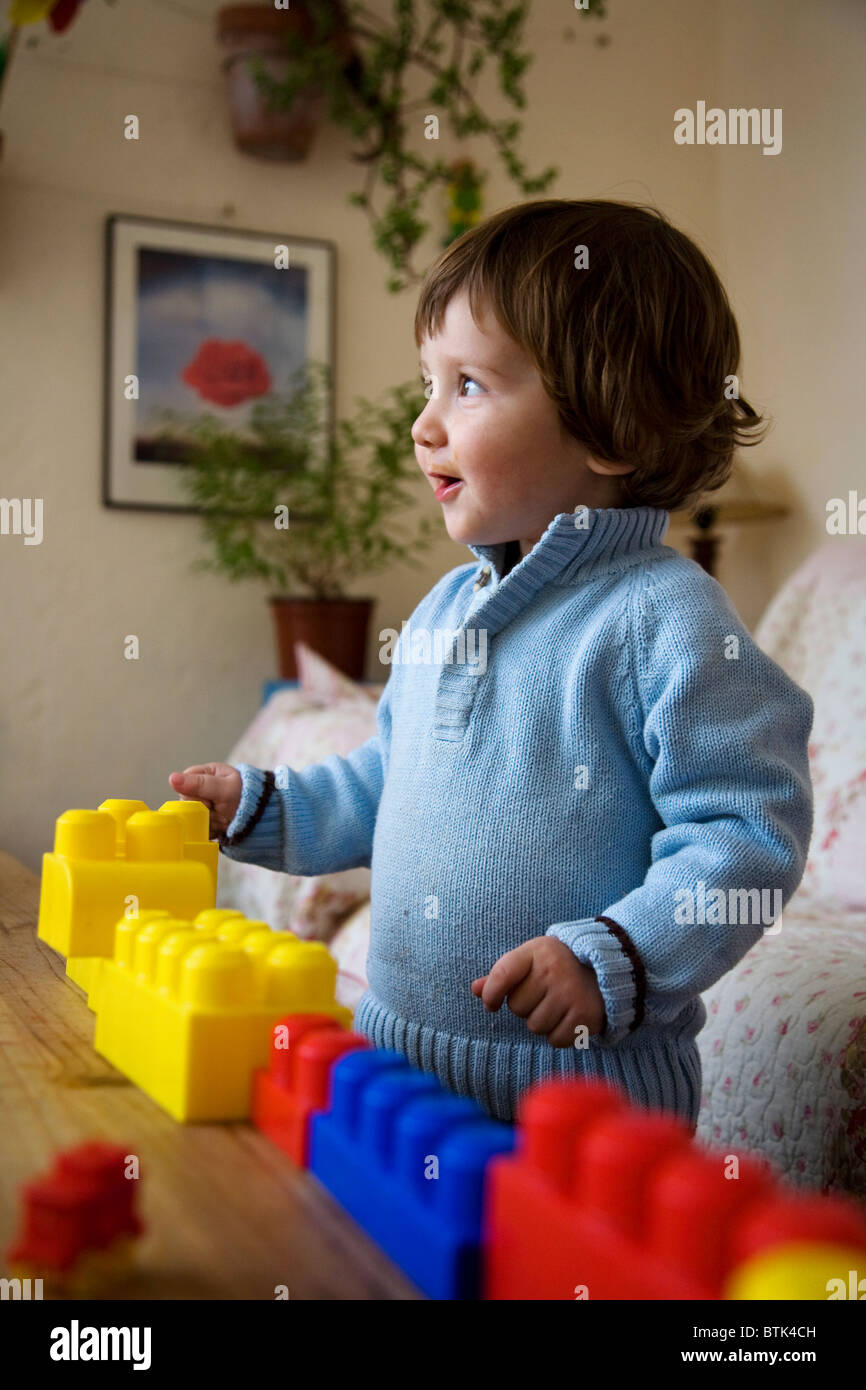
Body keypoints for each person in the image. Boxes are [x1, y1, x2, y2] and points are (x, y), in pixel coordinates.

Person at [169, 199, 814, 1131]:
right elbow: (387, 783)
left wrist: (620, 955)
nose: (425, 425)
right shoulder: (441, 611)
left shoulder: (662, 617)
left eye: (468, 385)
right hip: (397, 1066)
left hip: (577, 1109)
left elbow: (748, 832)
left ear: (613, 429)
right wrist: (267, 808)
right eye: (428, 384)